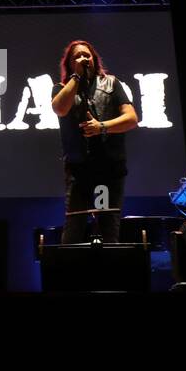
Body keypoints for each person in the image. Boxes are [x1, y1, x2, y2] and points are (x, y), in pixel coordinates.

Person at [50, 40, 139, 244]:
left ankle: (108, 275)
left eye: (87, 55)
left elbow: (131, 118)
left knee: (107, 228)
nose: (83, 59)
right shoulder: (62, 88)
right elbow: (60, 109)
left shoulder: (111, 83)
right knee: (74, 229)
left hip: (106, 173)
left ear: (94, 59)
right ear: (70, 64)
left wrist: (102, 127)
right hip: (79, 172)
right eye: (77, 56)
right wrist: (76, 77)